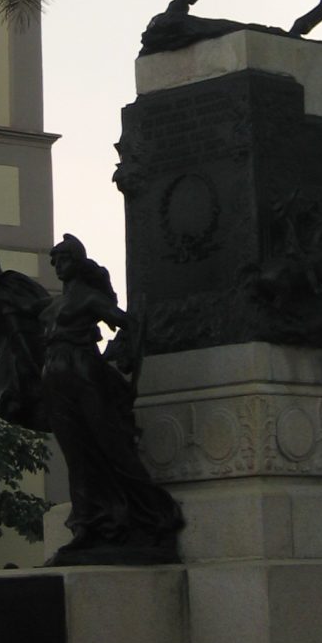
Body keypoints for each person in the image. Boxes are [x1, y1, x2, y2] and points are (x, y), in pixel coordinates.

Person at [39, 235, 184, 564]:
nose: (58, 265)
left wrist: (124, 353)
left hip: (85, 375)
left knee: (110, 446)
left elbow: (126, 324)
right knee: (77, 458)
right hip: (55, 380)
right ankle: (87, 526)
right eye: (55, 260)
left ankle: (151, 511)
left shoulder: (89, 299)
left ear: (77, 261)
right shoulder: (52, 307)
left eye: (63, 258)